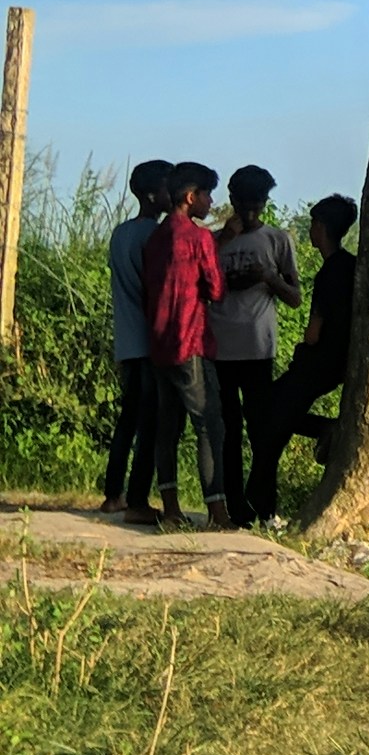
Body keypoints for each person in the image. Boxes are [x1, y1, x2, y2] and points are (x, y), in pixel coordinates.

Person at [249, 193, 359, 524]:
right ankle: (260, 505)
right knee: (273, 418)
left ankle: (262, 508)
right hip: (338, 362)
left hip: (318, 362)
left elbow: (313, 330)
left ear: (321, 228)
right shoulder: (353, 265)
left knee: (266, 418)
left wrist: (304, 347)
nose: (310, 230)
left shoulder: (328, 273)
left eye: (312, 225)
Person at [208, 165, 303, 529]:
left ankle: (265, 506)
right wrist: (223, 242)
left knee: (262, 431)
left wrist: (267, 277)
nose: (249, 214)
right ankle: (235, 508)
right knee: (227, 432)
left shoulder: (277, 241)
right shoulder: (214, 241)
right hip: (221, 350)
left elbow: (294, 297)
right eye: (242, 205)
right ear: (231, 200)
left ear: (265, 203)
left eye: (256, 206)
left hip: (258, 350)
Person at [141, 159, 231, 530]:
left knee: (168, 425)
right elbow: (215, 289)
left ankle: (172, 507)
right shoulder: (199, 239)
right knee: (210, 425)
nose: (211, 202)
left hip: (159, 342)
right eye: (208, 195)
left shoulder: (156, 238)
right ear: (191, 197)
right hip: (190, 340)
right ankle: (217, 511)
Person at [101, 157, 175, 523]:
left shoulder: (120, 233)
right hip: (151, 342)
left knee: (128, 419)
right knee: (151, 424)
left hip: (127, 341)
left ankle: (112, 493)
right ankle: (138, 501)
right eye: (167, 187)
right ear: (151, 194)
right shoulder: (155, 236)